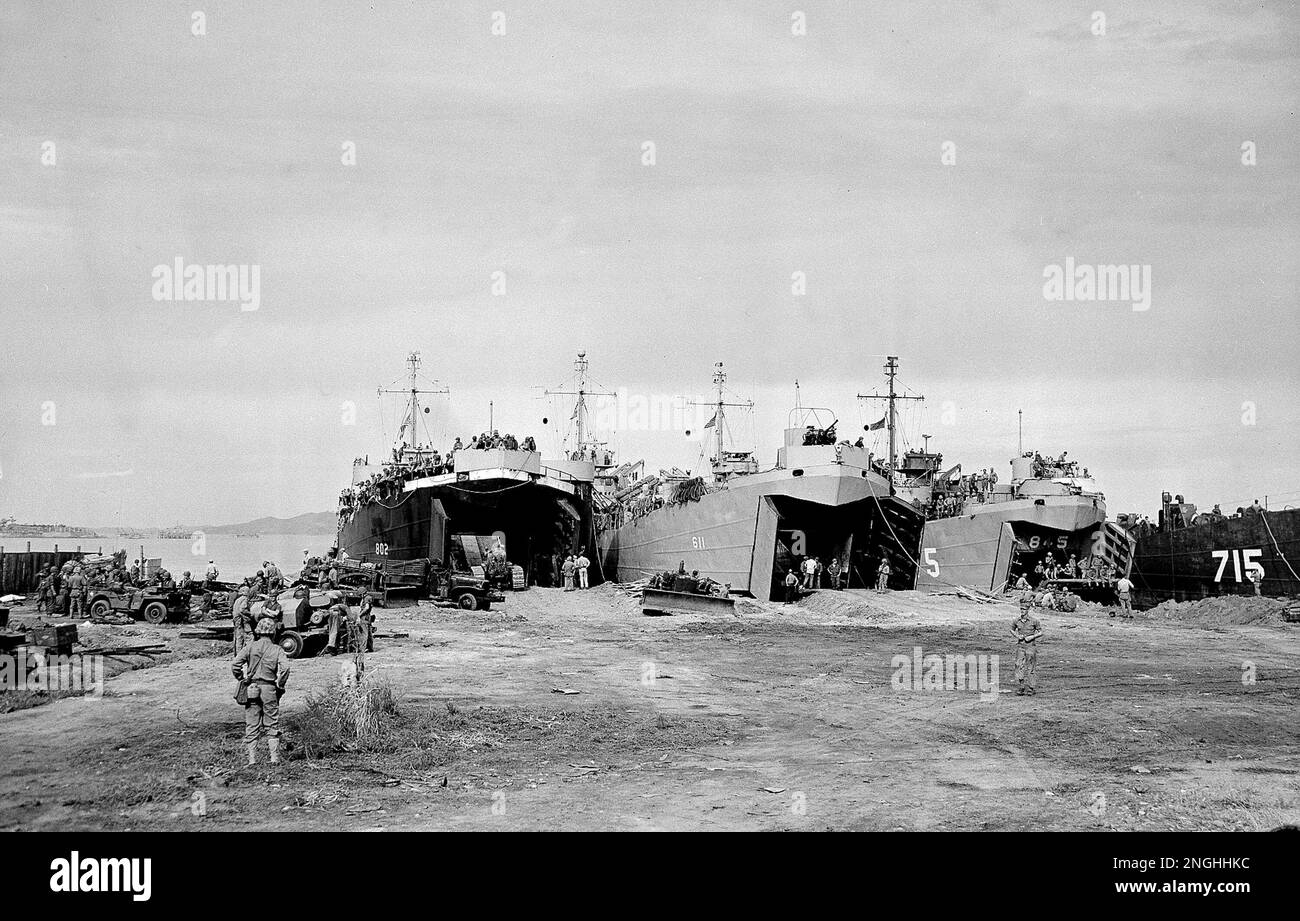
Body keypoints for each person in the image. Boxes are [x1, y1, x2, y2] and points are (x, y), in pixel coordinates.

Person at [232, 618, 290, 765]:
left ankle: (252, 760)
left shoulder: (250, 647)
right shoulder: (277, 649)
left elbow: (235, 664)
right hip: (269, 688)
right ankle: (274, 759)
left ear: (258, 630)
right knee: (272, 724)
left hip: (252, 688)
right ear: (273, 632)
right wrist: (280, 684)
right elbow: (285, 668)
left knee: (252, 724)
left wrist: (242, 678)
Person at [1011, 608, 1043, 696]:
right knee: (1019, 665)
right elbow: (1012, 630)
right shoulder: (1016, 620)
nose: (1022, 611)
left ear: (1027, 610)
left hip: (1030, 647)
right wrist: (1017, 636)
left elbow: (1040, 632)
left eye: (1024, 609)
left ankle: (1031, 688)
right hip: (1020, 646)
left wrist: (1032, 637)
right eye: (1021, 609)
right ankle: (1021, 687)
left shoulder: (1034, 621)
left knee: (1030, 667)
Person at [230, 585, 254, 654]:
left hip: (236, 619)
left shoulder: (238, 599)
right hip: (240, 620)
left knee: (238, 637)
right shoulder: (245, 599)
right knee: (246, 637)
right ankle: (242, 654)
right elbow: (242, 609)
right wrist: (250, 613)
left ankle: (237, 653)